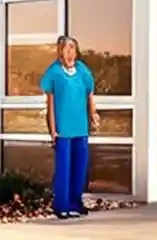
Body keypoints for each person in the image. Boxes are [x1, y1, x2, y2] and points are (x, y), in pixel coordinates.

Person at [39, 34, 99, 219]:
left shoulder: (82, 71)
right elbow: (50, 104)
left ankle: (75, 202)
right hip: (63, 130)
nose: (69, 51)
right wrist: (53, 129)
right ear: (59, 51)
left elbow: (89, 96)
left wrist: (94, 115)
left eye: (72, 47)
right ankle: (61, 205)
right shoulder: (54, 72)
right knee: (64, 169)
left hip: (81, 128)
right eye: (65, 48)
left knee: (80, 168)